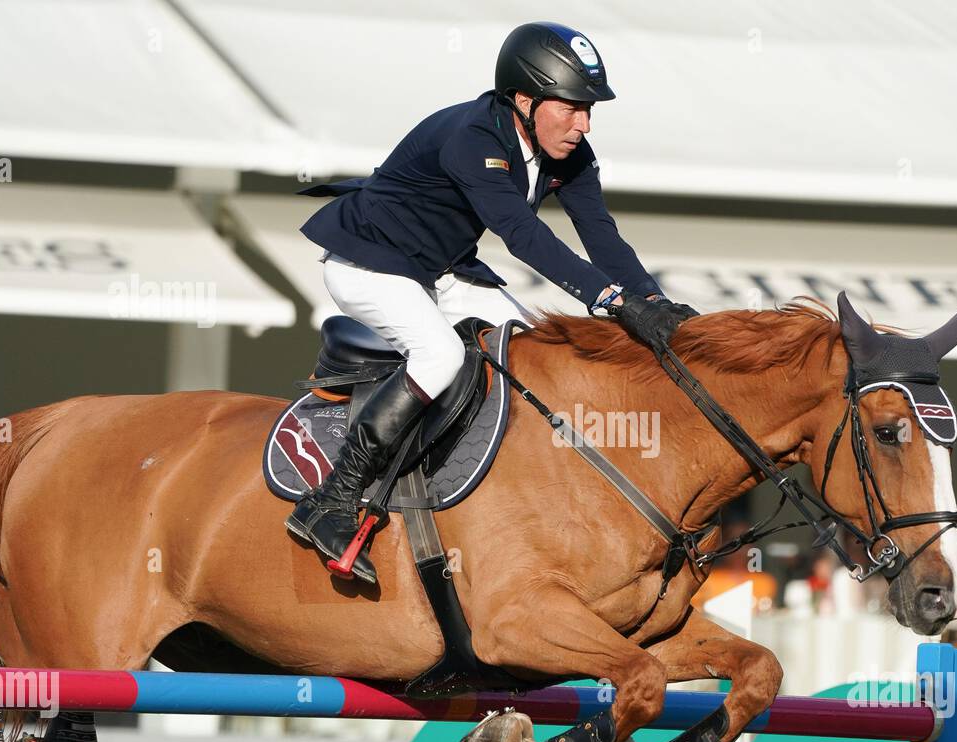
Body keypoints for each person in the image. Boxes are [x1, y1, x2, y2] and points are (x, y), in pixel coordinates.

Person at [287, 22, 700, 582]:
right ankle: (332, 500)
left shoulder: (569, 152)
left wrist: (654, 302)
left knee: (539, 352)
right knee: (440, 357)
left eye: (589, 110)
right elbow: (523, 235)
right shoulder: (472, 137)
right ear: (525, 101)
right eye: (573, 107)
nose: (583, 124)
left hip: (440, 268)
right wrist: (613, 303)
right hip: (370, 264)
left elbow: (600, 236)